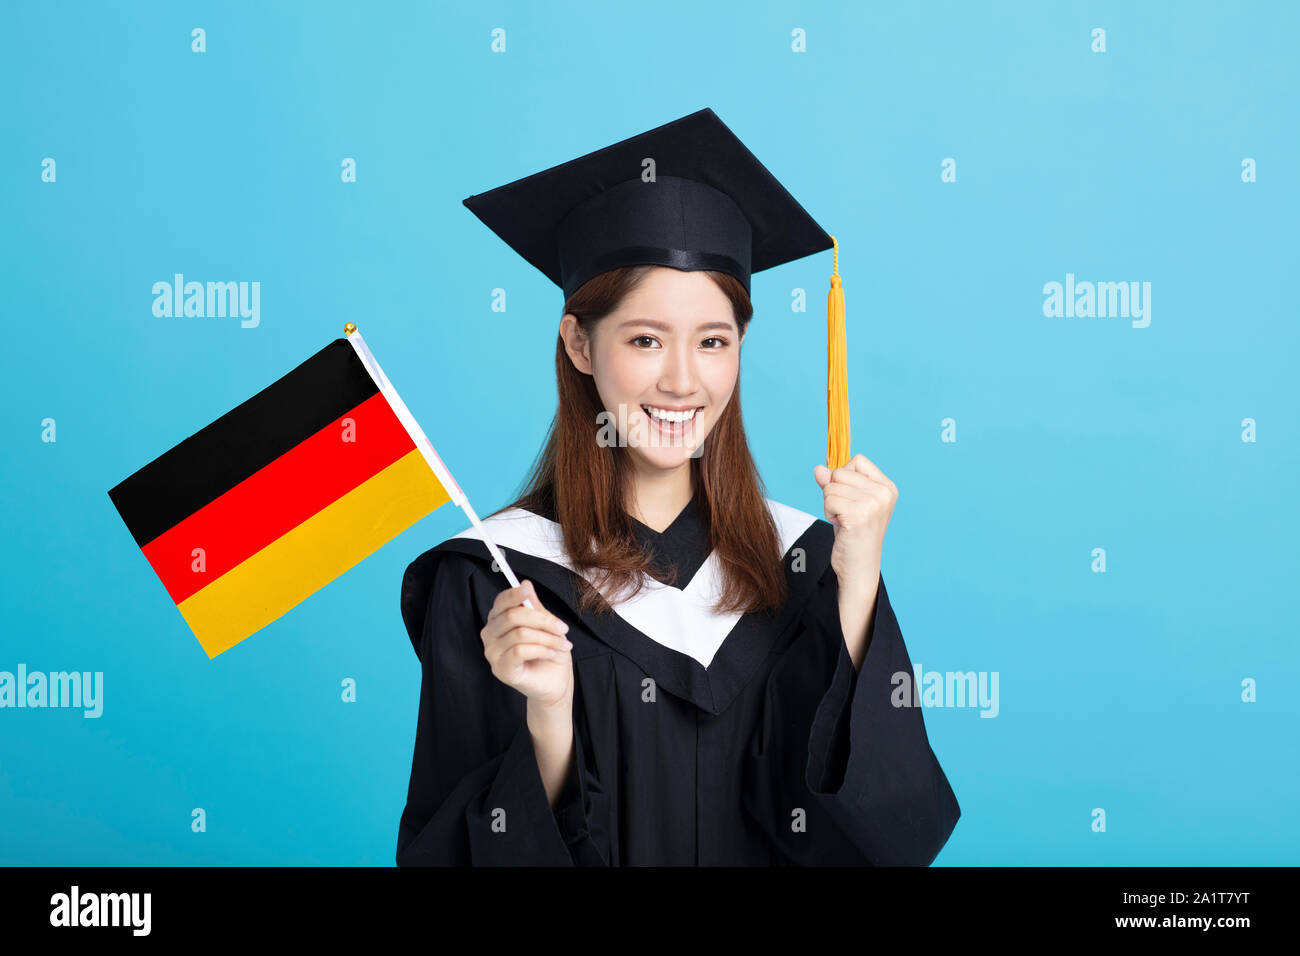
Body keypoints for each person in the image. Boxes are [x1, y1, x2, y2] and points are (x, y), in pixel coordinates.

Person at [395, 108, 961, 865]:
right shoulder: (493, 579)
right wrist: (551, 723)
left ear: (741, 346)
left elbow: (879, 844)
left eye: (713, 342)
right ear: (578, 343)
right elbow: (451, 854)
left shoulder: (808, 564)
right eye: (645, 339)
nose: (683, 381)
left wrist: (856, 594)